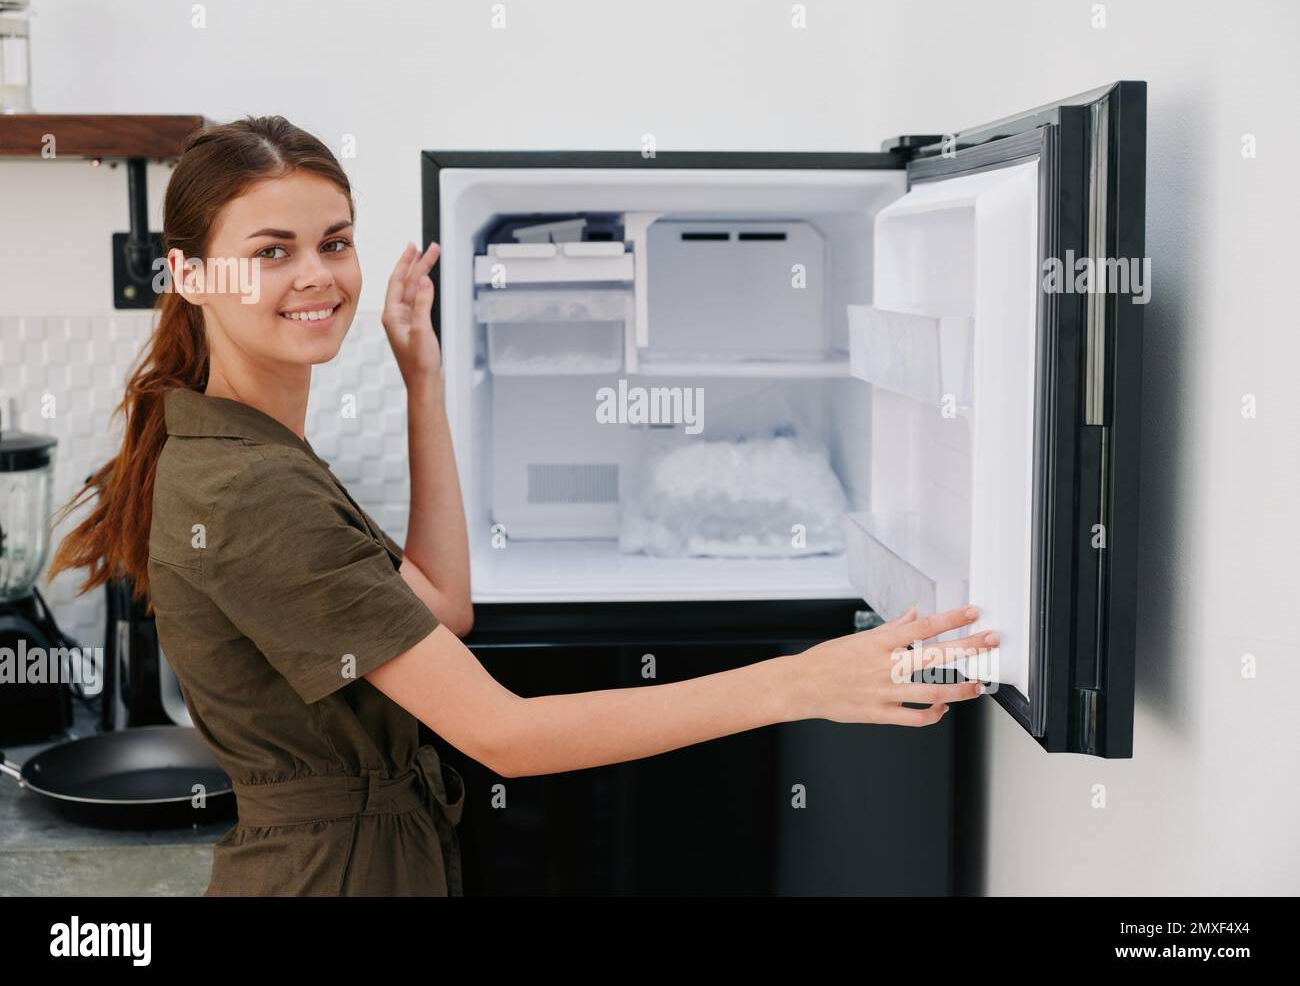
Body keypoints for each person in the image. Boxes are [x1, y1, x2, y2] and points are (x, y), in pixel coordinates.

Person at [48, 115, 997, 897]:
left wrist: (422, 377)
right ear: (188, 276)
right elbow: (507, 736)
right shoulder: (251, 490)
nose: (317, 276)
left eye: (334, 242)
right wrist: (802, 684)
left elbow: (444, 607)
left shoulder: (253, 452)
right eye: (272, 251)